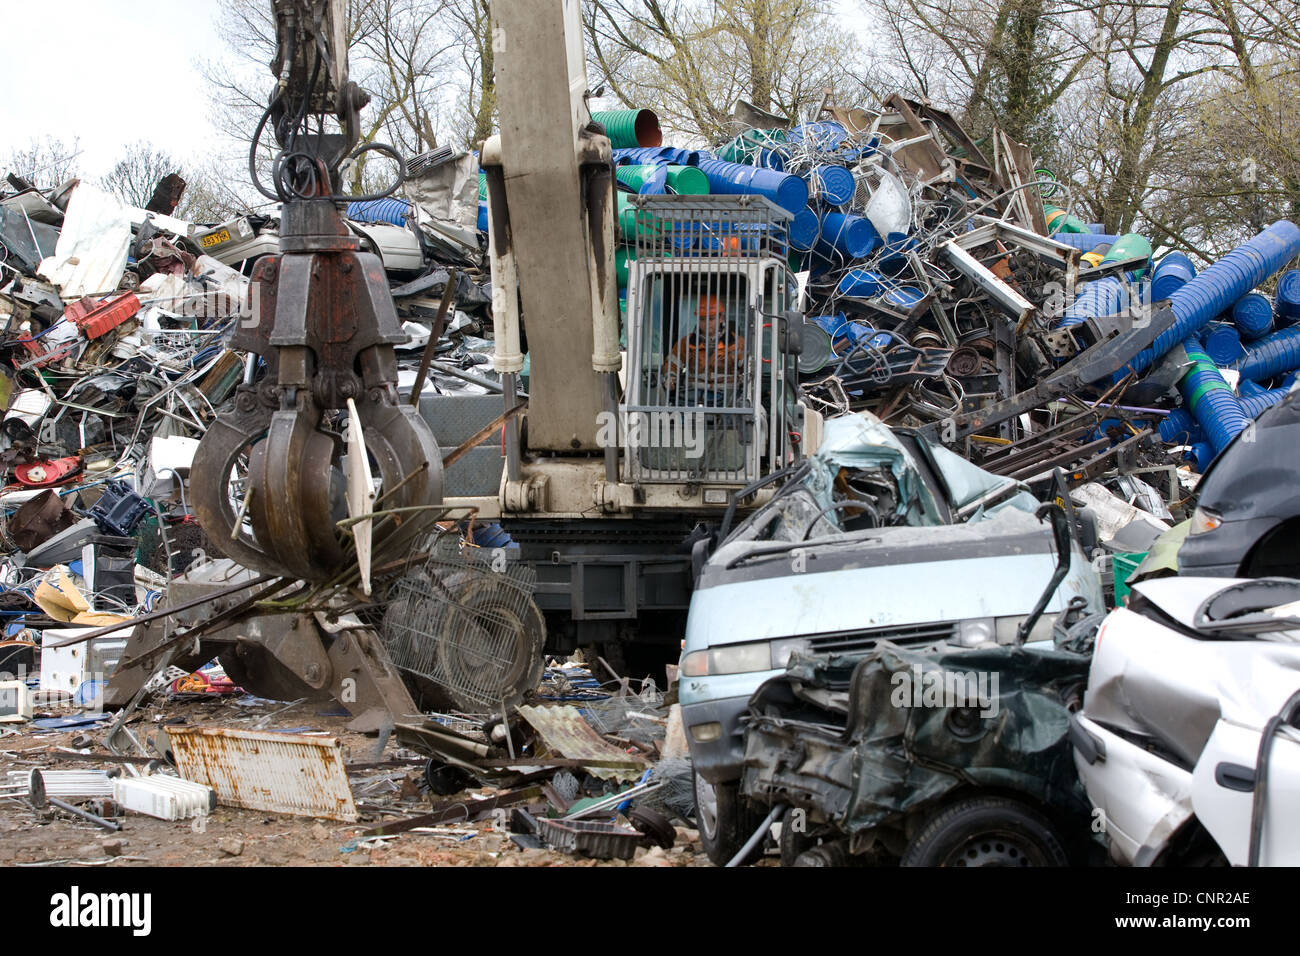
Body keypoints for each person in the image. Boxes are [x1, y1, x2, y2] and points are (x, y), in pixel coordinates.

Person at [662, 293, 747, 395]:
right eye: (702, 319)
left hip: (727, 401)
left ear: (721, 318)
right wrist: (670, 378)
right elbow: (672, 364)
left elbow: (748, 370)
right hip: (692, 399)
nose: (706, 323)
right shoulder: (686, 343)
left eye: (711, 319)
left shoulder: (737, 343)